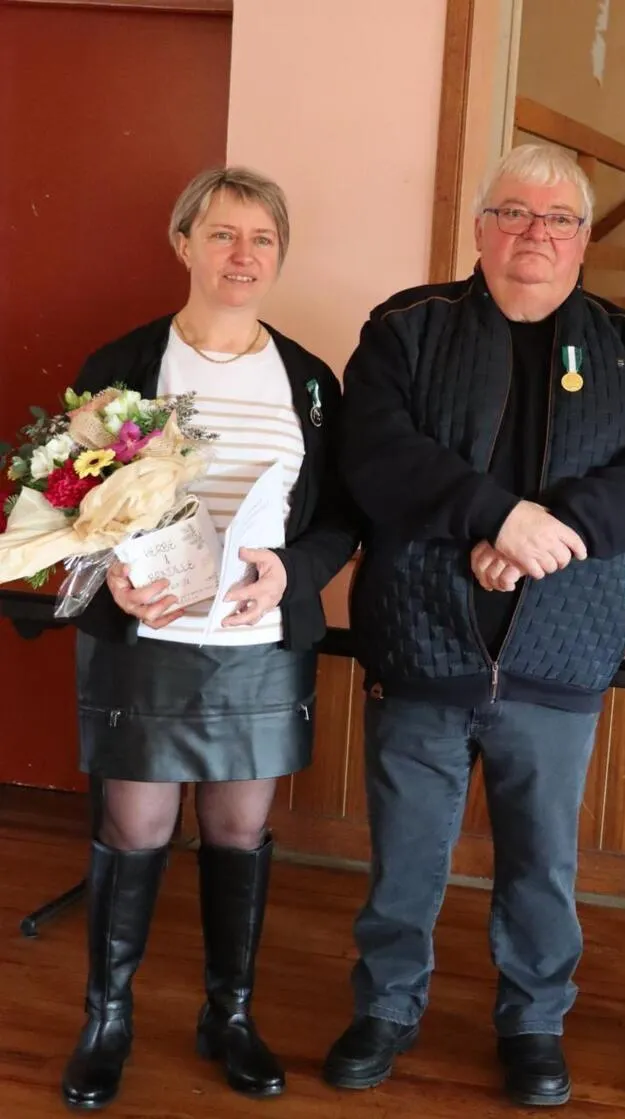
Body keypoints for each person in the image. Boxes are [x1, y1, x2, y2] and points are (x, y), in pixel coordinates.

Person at [324, 143, 625, 1108]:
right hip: (422, 640)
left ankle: (533, 1021)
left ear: (582, 241)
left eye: (559, 219)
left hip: (559, 652)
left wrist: (548, 528)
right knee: (405, 856)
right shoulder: (406, 328)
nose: (537, 233)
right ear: (481, 229)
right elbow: (374, 455)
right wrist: (493, 514)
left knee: (542, 863)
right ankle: (387, 1008)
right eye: (516, 214)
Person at [60, 167, 360, 1109]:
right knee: (135, 823)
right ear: (182, 242)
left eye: (262, 239)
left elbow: (342, 516)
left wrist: (292, 571)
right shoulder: (120, 363)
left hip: (259, 640)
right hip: (144, 640)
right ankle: (107, 1018)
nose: (243, 256)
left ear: (279, 254)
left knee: (240, 827)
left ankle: (227, 1012)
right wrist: (108, 568)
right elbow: (70, 502)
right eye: (223, 235)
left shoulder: (310, 380)